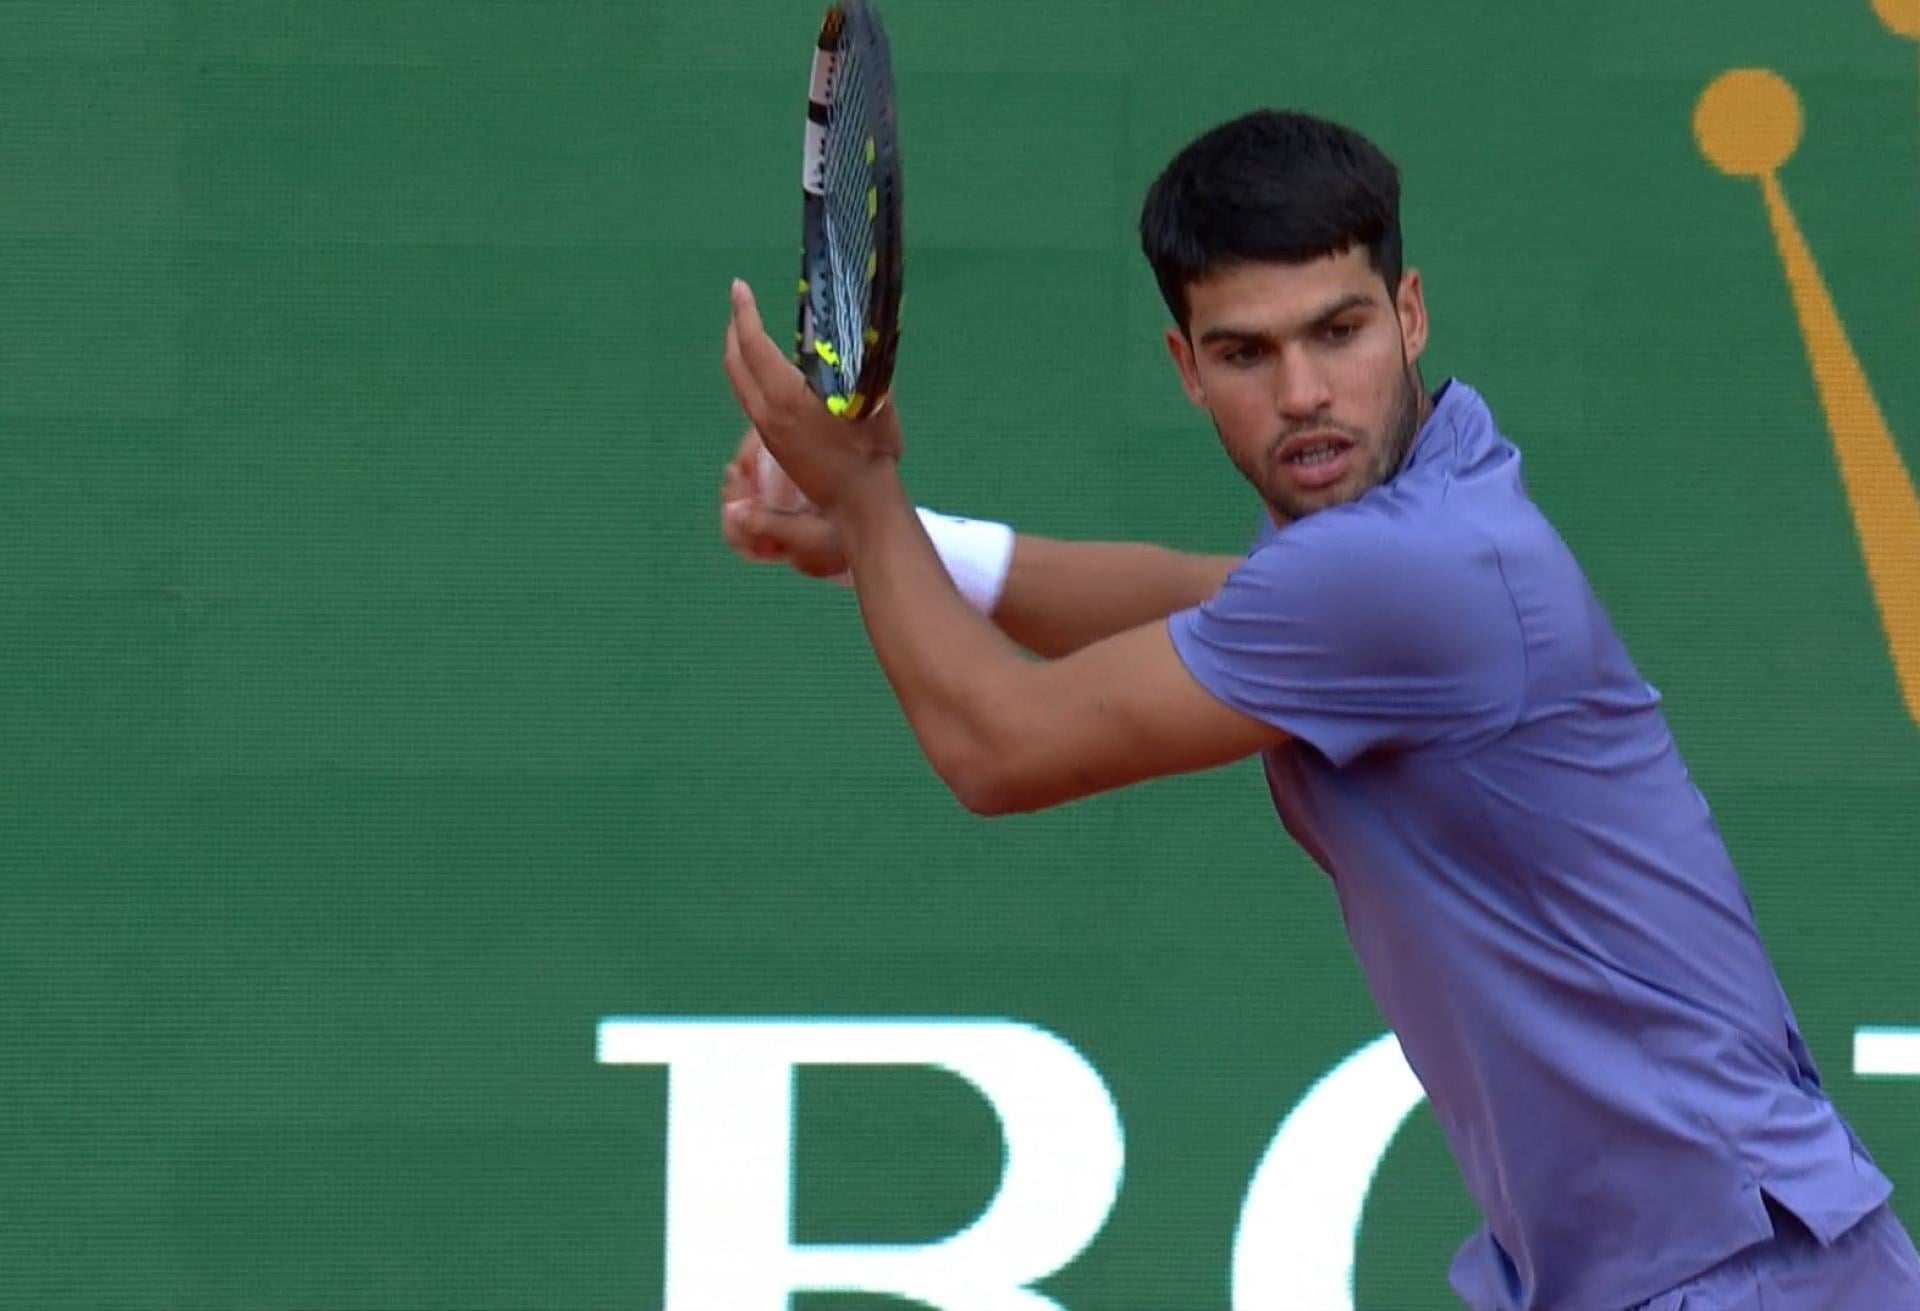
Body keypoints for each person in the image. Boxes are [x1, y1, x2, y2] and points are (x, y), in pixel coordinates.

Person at [716, 108, 1920, 1310]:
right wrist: (908, 545)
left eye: (1338, 333)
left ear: (1409, 315)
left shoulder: (1415, 566)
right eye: (1247, 354)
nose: (1303, 394)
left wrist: (866, 495)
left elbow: (998, 746)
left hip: (1735, 1274)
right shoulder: (1433, 494)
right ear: (1187, 368)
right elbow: (1215, 599)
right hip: (1704, 1263)